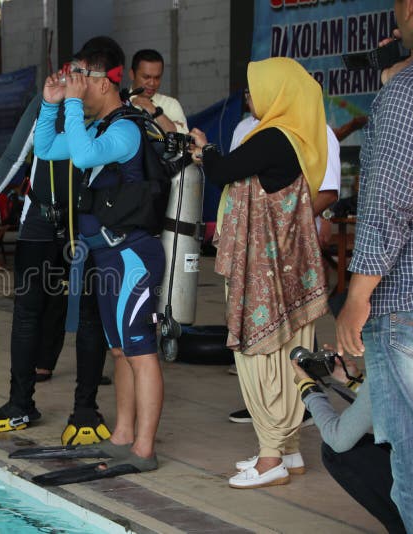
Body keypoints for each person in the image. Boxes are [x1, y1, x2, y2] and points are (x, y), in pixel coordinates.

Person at [188, 57, 329, 489]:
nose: (249, 97)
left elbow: (224, 171)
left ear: (277, 91)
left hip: (264, 273)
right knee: (290, 352)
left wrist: (204, 148)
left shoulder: (272, 137)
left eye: (254, 89)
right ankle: (289, 450)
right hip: (291, 269)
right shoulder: (301, 137)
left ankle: (270, 459)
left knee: (260, 354)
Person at [31, 35, 167, 478]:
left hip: (131, 256)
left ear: (104, 81)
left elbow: (84, 156)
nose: (75, 85)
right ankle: (123, 436)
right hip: (108, 257)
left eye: (81, 77)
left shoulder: (125, 128)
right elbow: (46, 149)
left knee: (141, 351)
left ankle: (144, 448)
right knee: (120, 351)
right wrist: (51, 103)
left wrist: (71, 103)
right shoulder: (101, 127)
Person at [0, 90, 110, 443]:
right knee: (28, 311)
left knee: (90, 313)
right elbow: (14, 156)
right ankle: (20, 403)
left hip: (88, 222)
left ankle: (85, 408)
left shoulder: (114, 110)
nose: (77, 81)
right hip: (40, 219)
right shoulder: (48, 102)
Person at [336, 3, 413, 529]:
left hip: (403, 302)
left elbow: (388, 200)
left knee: (408, 453)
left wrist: (358, 296)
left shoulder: (405, 94)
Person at [226, 84, 342, 428]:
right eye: (248, 93)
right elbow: (234, 181)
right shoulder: (245, 129)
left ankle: (303, 403)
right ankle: (265, 403)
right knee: (259, 321)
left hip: (294, 243)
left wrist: (288, 223)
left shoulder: (316, 130)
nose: (252, 99)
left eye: (258, 91)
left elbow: (328, 191)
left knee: (295, 323)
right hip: (255, 246)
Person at [289, 350, 406, 532]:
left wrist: (309, 390)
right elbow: (395, 405)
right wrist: (354, 381)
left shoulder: (392, 365)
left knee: (336, 453)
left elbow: (337, 438)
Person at [128, 49, 188, 134]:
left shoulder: (171, 104)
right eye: (146, 77)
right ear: (132, 74)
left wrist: (155, 111)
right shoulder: (119, 102)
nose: (152, 83)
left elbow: (183, 139)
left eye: (157, 78)